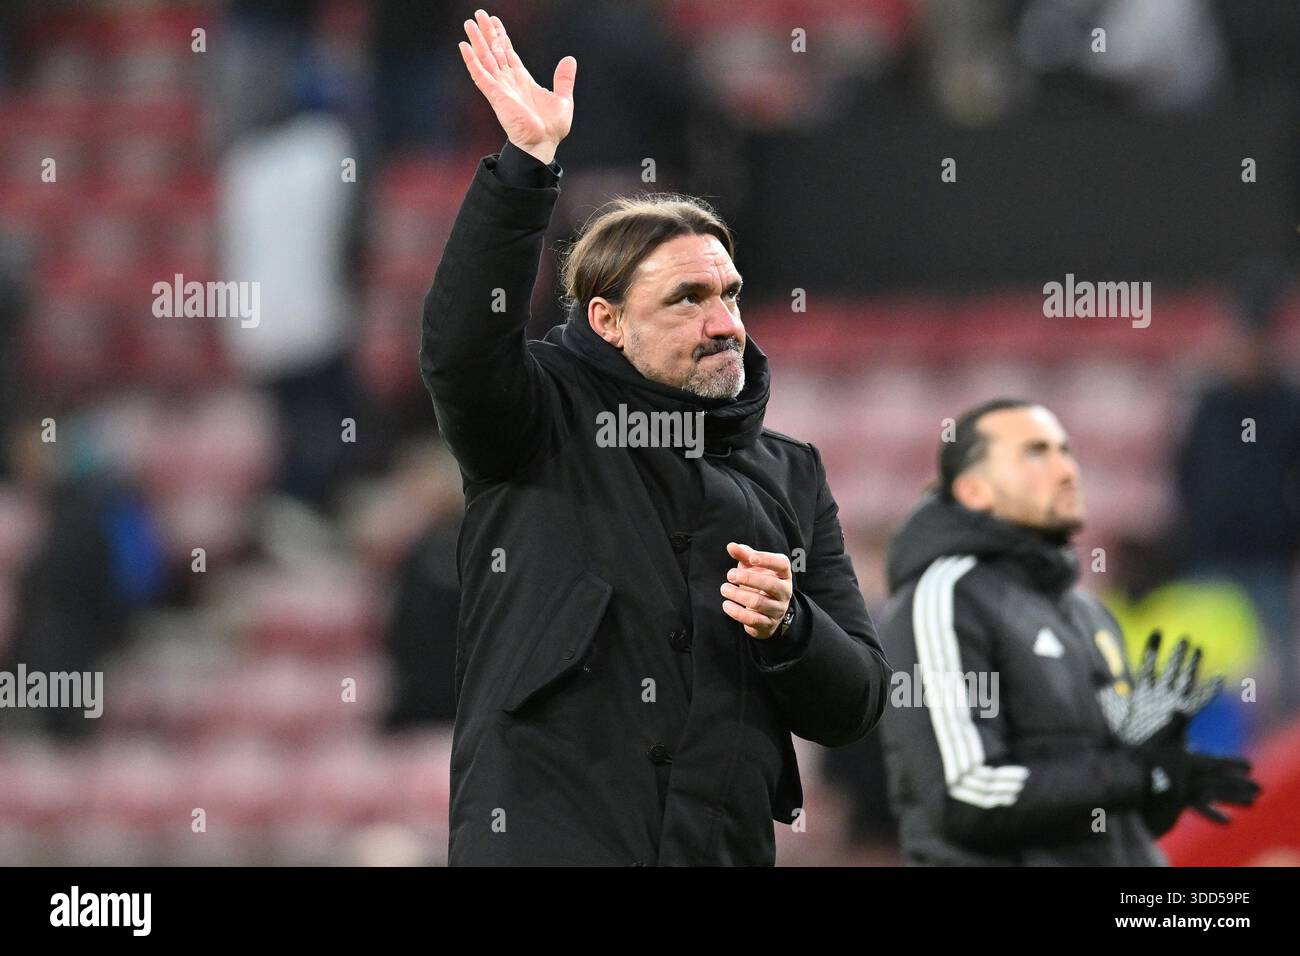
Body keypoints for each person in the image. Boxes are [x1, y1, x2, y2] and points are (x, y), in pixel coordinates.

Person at [421, 9, 890, 866]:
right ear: (607, 321)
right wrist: (524, 167)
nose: (724, 323)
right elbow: (457, 351)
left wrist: (792, 630)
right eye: (687, 299)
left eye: (732, 294)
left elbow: (857, 700)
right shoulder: (540, 420)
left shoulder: (791, 471)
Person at [877, 398, 1259, 865]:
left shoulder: (1088, 612)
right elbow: (964, 794)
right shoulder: (943, 599)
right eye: (1036, 453)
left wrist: (1164, 778)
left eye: (1065, 451)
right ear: (975, 490)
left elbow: (1112, 816)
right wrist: (1131, 775)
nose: (1065, 470)